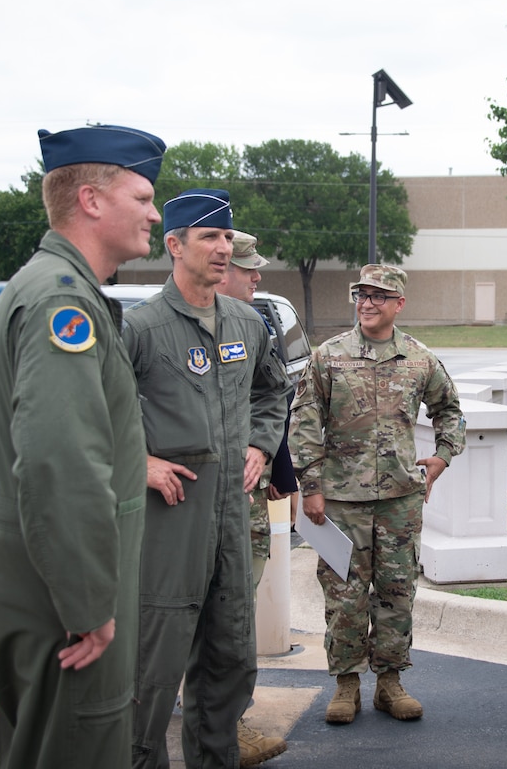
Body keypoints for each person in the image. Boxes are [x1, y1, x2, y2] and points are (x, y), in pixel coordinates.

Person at [0, 123, 165, 768]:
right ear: (90, 200)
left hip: (41, 586)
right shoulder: (62, 301)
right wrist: (88, 604)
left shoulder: (54, 287)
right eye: (141, 198)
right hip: (63, 607)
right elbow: (60, 461)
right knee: (81, 746)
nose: (155, 214)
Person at [124, 189, 291, 769]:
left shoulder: (247, 320)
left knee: (230, 661)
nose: (224, 249)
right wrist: (137, 463)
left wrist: (259, 443)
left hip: (231, 522)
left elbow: (273, 392)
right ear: (174, 246)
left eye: (227, 238)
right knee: (153, 668)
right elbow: (94, 414)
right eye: (209, 238)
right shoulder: (140, 328)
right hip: (169, 525)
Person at [289, 264, 465, 725]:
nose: (367, 303)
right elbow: (305, 420)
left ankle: (390, 683)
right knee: (344, 594)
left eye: (378, 296)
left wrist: (442, 457)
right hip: (341, 501)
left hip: (400, 500)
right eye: (361, 295)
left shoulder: (419, 358)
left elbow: (450, 411)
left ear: (399, 304)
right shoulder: (329, 356)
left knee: (395, 591)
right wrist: (311, 487)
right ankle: (346, 685)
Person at [212, 230, 298, 764]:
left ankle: (225, 723)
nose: (256, 277)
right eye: (248, 269)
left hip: (243, 496)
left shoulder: (253, 326)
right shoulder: (161, 326)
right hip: (191, 500)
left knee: (235, 612)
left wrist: (273, 464)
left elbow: (273, 398)